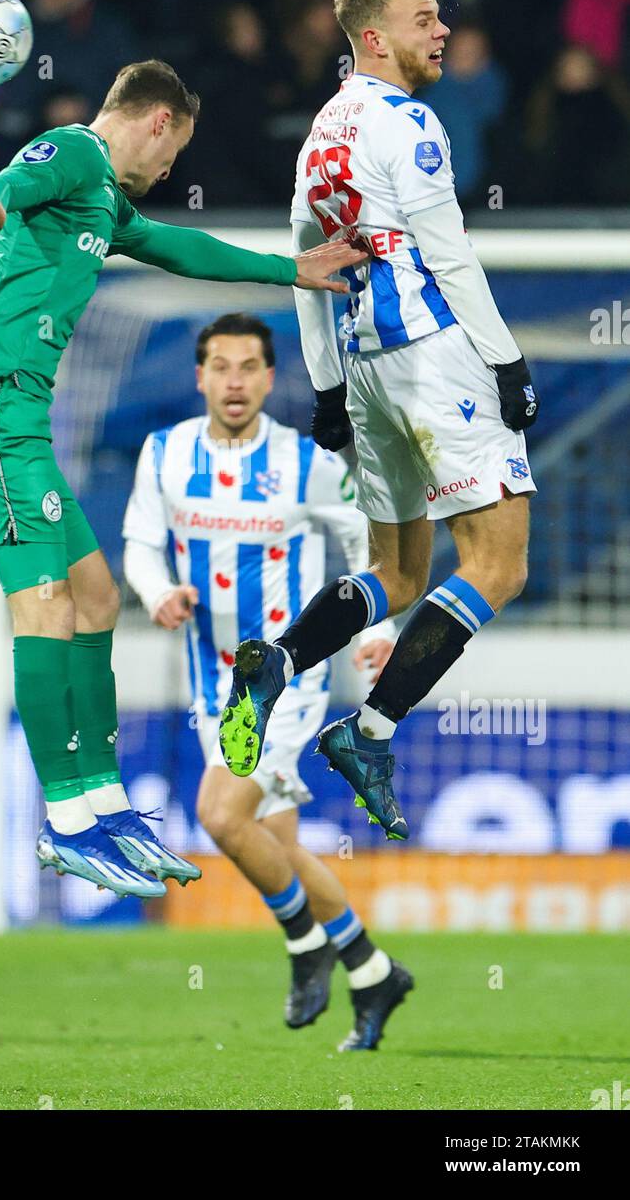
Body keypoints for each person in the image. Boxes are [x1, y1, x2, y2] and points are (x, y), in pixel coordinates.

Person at [0, 59, 364, 901]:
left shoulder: (103, 203)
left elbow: (178, 247)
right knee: (43, 605)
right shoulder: (77, 156)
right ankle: (64, 820)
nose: (170, 173)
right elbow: (13, 179)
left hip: (16, 417)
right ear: (157, 122)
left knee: (91, 592)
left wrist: (288, 269)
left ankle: (105, 803)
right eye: (173, 154)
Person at [219, 0, 540, 840]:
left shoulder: (320, 131)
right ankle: (369, 733)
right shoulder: (408, 122)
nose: (441, 33)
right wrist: (506, 362)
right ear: (373, 38)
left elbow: (303, 267)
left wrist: (326, 386)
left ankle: (280, 661)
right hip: (437, 357)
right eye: (423, 20)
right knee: (497, 566)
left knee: (398, 574)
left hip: (364, 367)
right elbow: (449, 253)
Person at [123, 313, 411, 1048]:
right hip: (206, 681)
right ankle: (371, 969)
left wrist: (374, 630)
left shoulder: (304, 460)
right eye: (220, 366)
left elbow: (363, 537)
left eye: (249, 366)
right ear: (199, 376)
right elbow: (139, 545)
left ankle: (303, 943)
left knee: (219, 818)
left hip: (286, 678)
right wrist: (158, 594)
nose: (234, 381)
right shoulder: (163, 454)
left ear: (269, 377)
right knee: (272, 839)